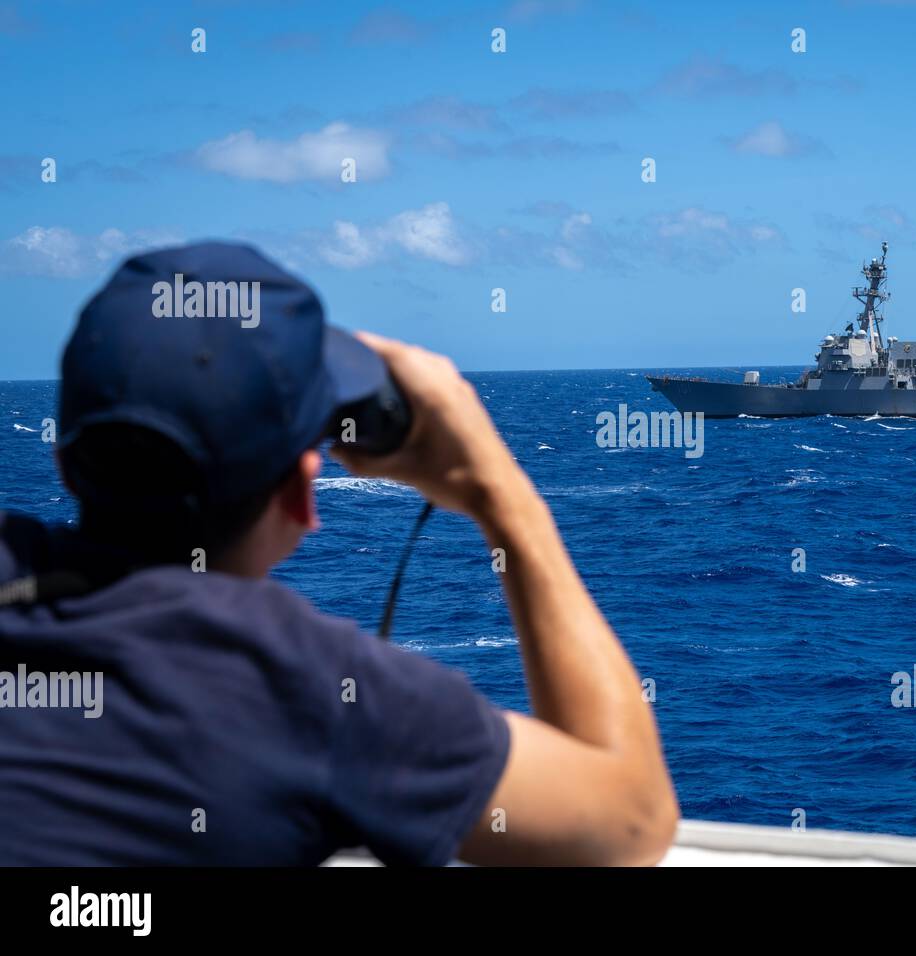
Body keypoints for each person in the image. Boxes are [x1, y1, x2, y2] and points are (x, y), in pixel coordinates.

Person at [0, 242, 678, 866]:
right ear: (301, 495)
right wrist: (502, 496)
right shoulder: (306, 690)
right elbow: (631, 820)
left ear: (65, 464)